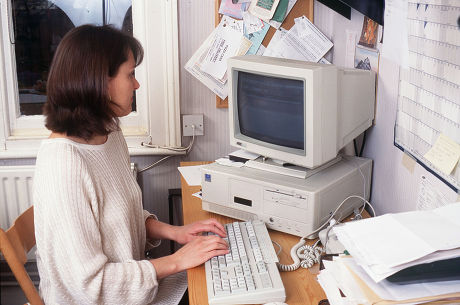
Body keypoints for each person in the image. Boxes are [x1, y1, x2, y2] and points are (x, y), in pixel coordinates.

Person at [33, 24, 229, 305]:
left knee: (220, 279)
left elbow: (121, 217)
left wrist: (176, 232)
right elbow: (89, 286)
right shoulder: (63, 165)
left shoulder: (108, 133)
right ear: (100, 81)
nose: (137, 84)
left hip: (134, 289)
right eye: (131, 74)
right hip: (101, 299)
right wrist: (176, 261)